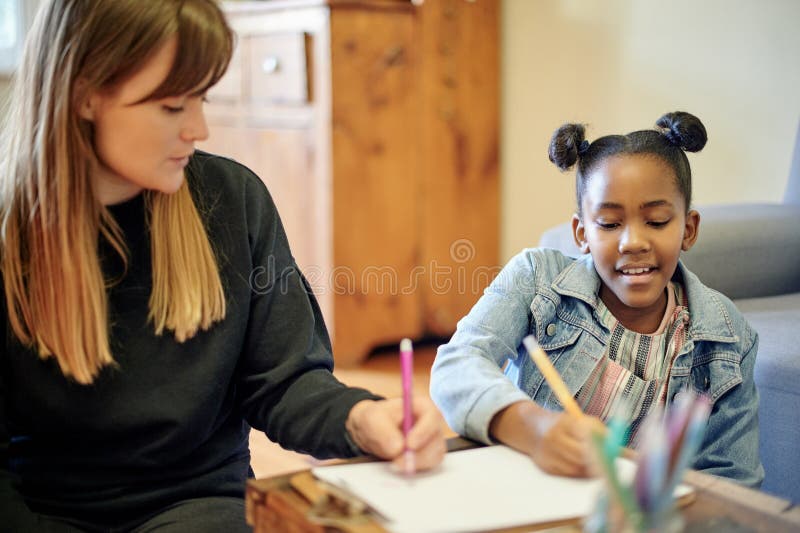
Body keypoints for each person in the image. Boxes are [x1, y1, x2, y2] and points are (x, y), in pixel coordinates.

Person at [0, 1, 446, 531]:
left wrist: (363, 417)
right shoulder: (10, 234)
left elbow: (284, 382)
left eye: (202, 98)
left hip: (196, 505)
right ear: (84, 94)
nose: (200, 128)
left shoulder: (234, 201)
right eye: (172, 106)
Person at [430, 111, 764, 488]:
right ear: (582, 233)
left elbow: (734, 481)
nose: (633, 242)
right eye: (609, 224)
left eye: (656, 221)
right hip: (522, 492)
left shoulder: (730, 338)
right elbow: (457, 364)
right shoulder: (536, 278)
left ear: (688, 229)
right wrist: (534, 429)